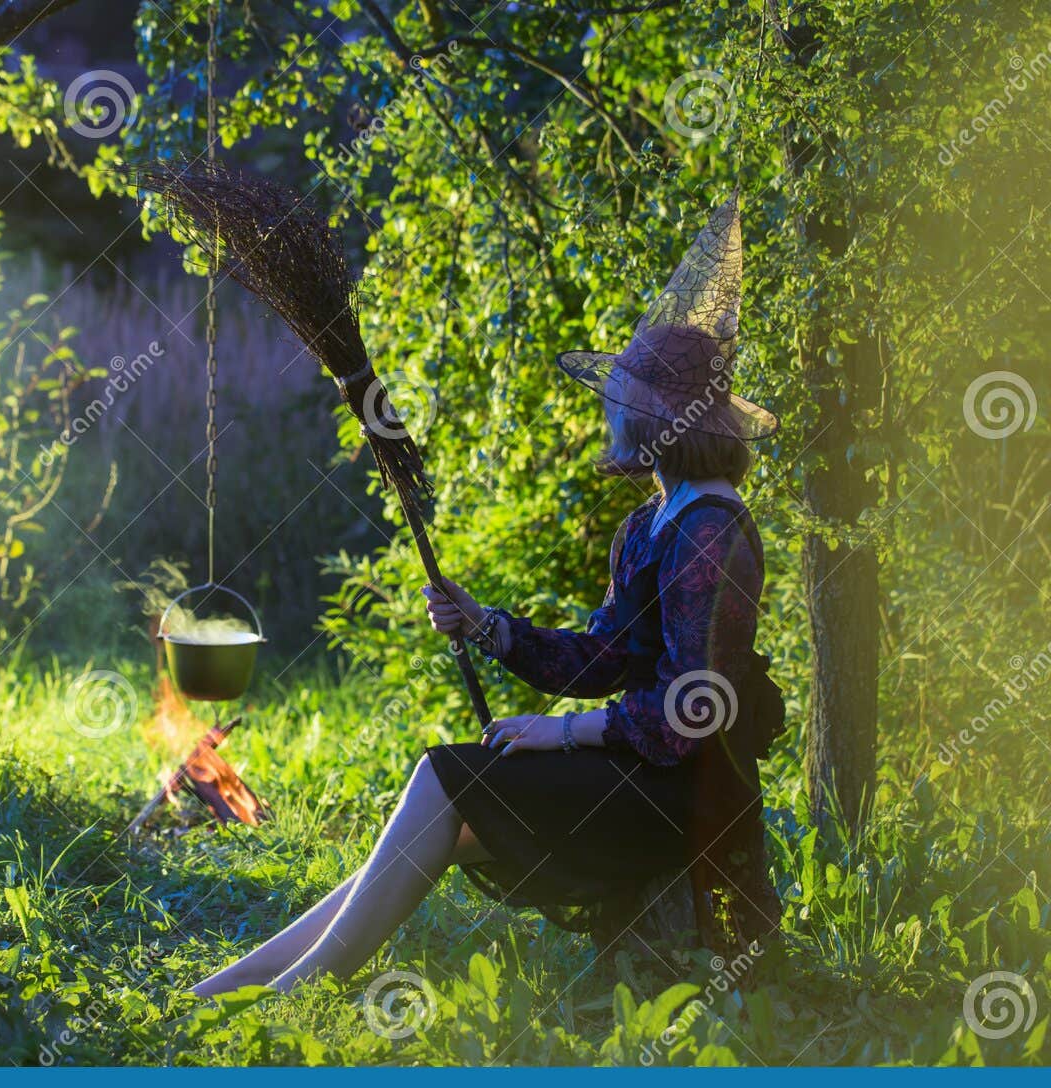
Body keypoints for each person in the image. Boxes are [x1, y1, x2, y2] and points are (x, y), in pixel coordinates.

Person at [192, 192, 785, 999]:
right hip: (639, 770)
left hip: (682, 796)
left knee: (447, 777)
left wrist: (559, 732)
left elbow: (693, 713)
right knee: (450, 812)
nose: (610, 407)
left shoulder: (710, 527)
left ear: (663, 413)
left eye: (624, 394)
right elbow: (603, 656)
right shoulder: (655, 520)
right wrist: (486, 626)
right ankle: (239, 984)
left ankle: (295, 993)